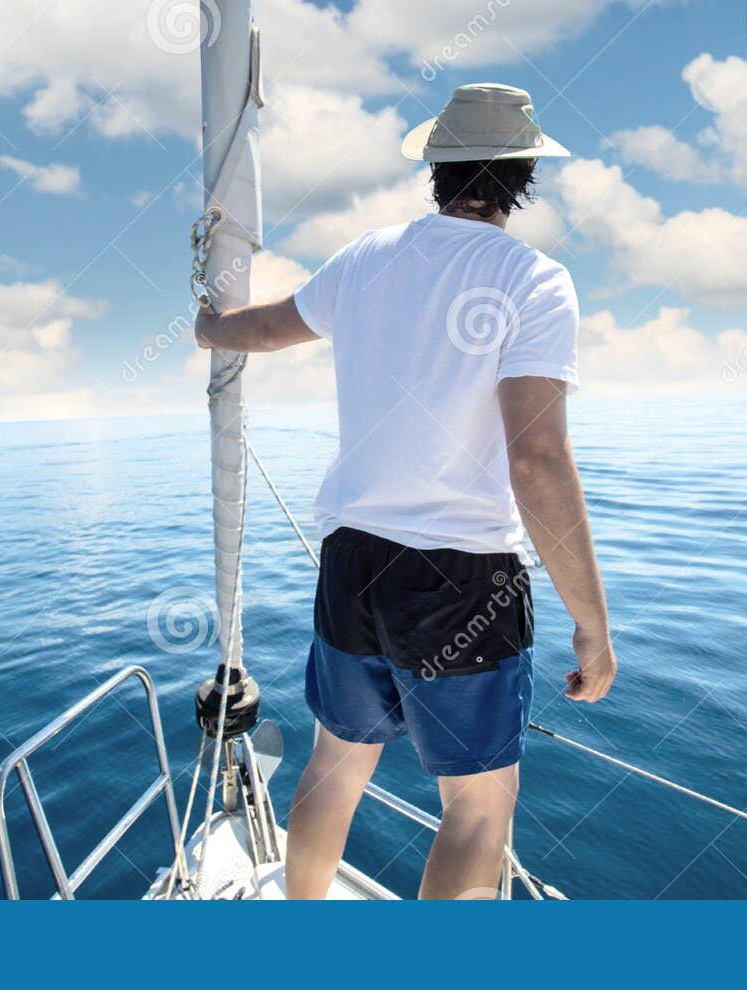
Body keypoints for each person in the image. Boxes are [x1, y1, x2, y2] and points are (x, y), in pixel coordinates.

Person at [194, 83, 617, 899]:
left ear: (435, 167)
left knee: (334, 766)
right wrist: (592, 626)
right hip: (462, 579)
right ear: (525, 176)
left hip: (352, 563)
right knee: (476, 813)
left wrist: (211, 328)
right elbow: (536, 461)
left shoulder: (367, 257)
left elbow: (269, 327)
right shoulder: (535, 280)